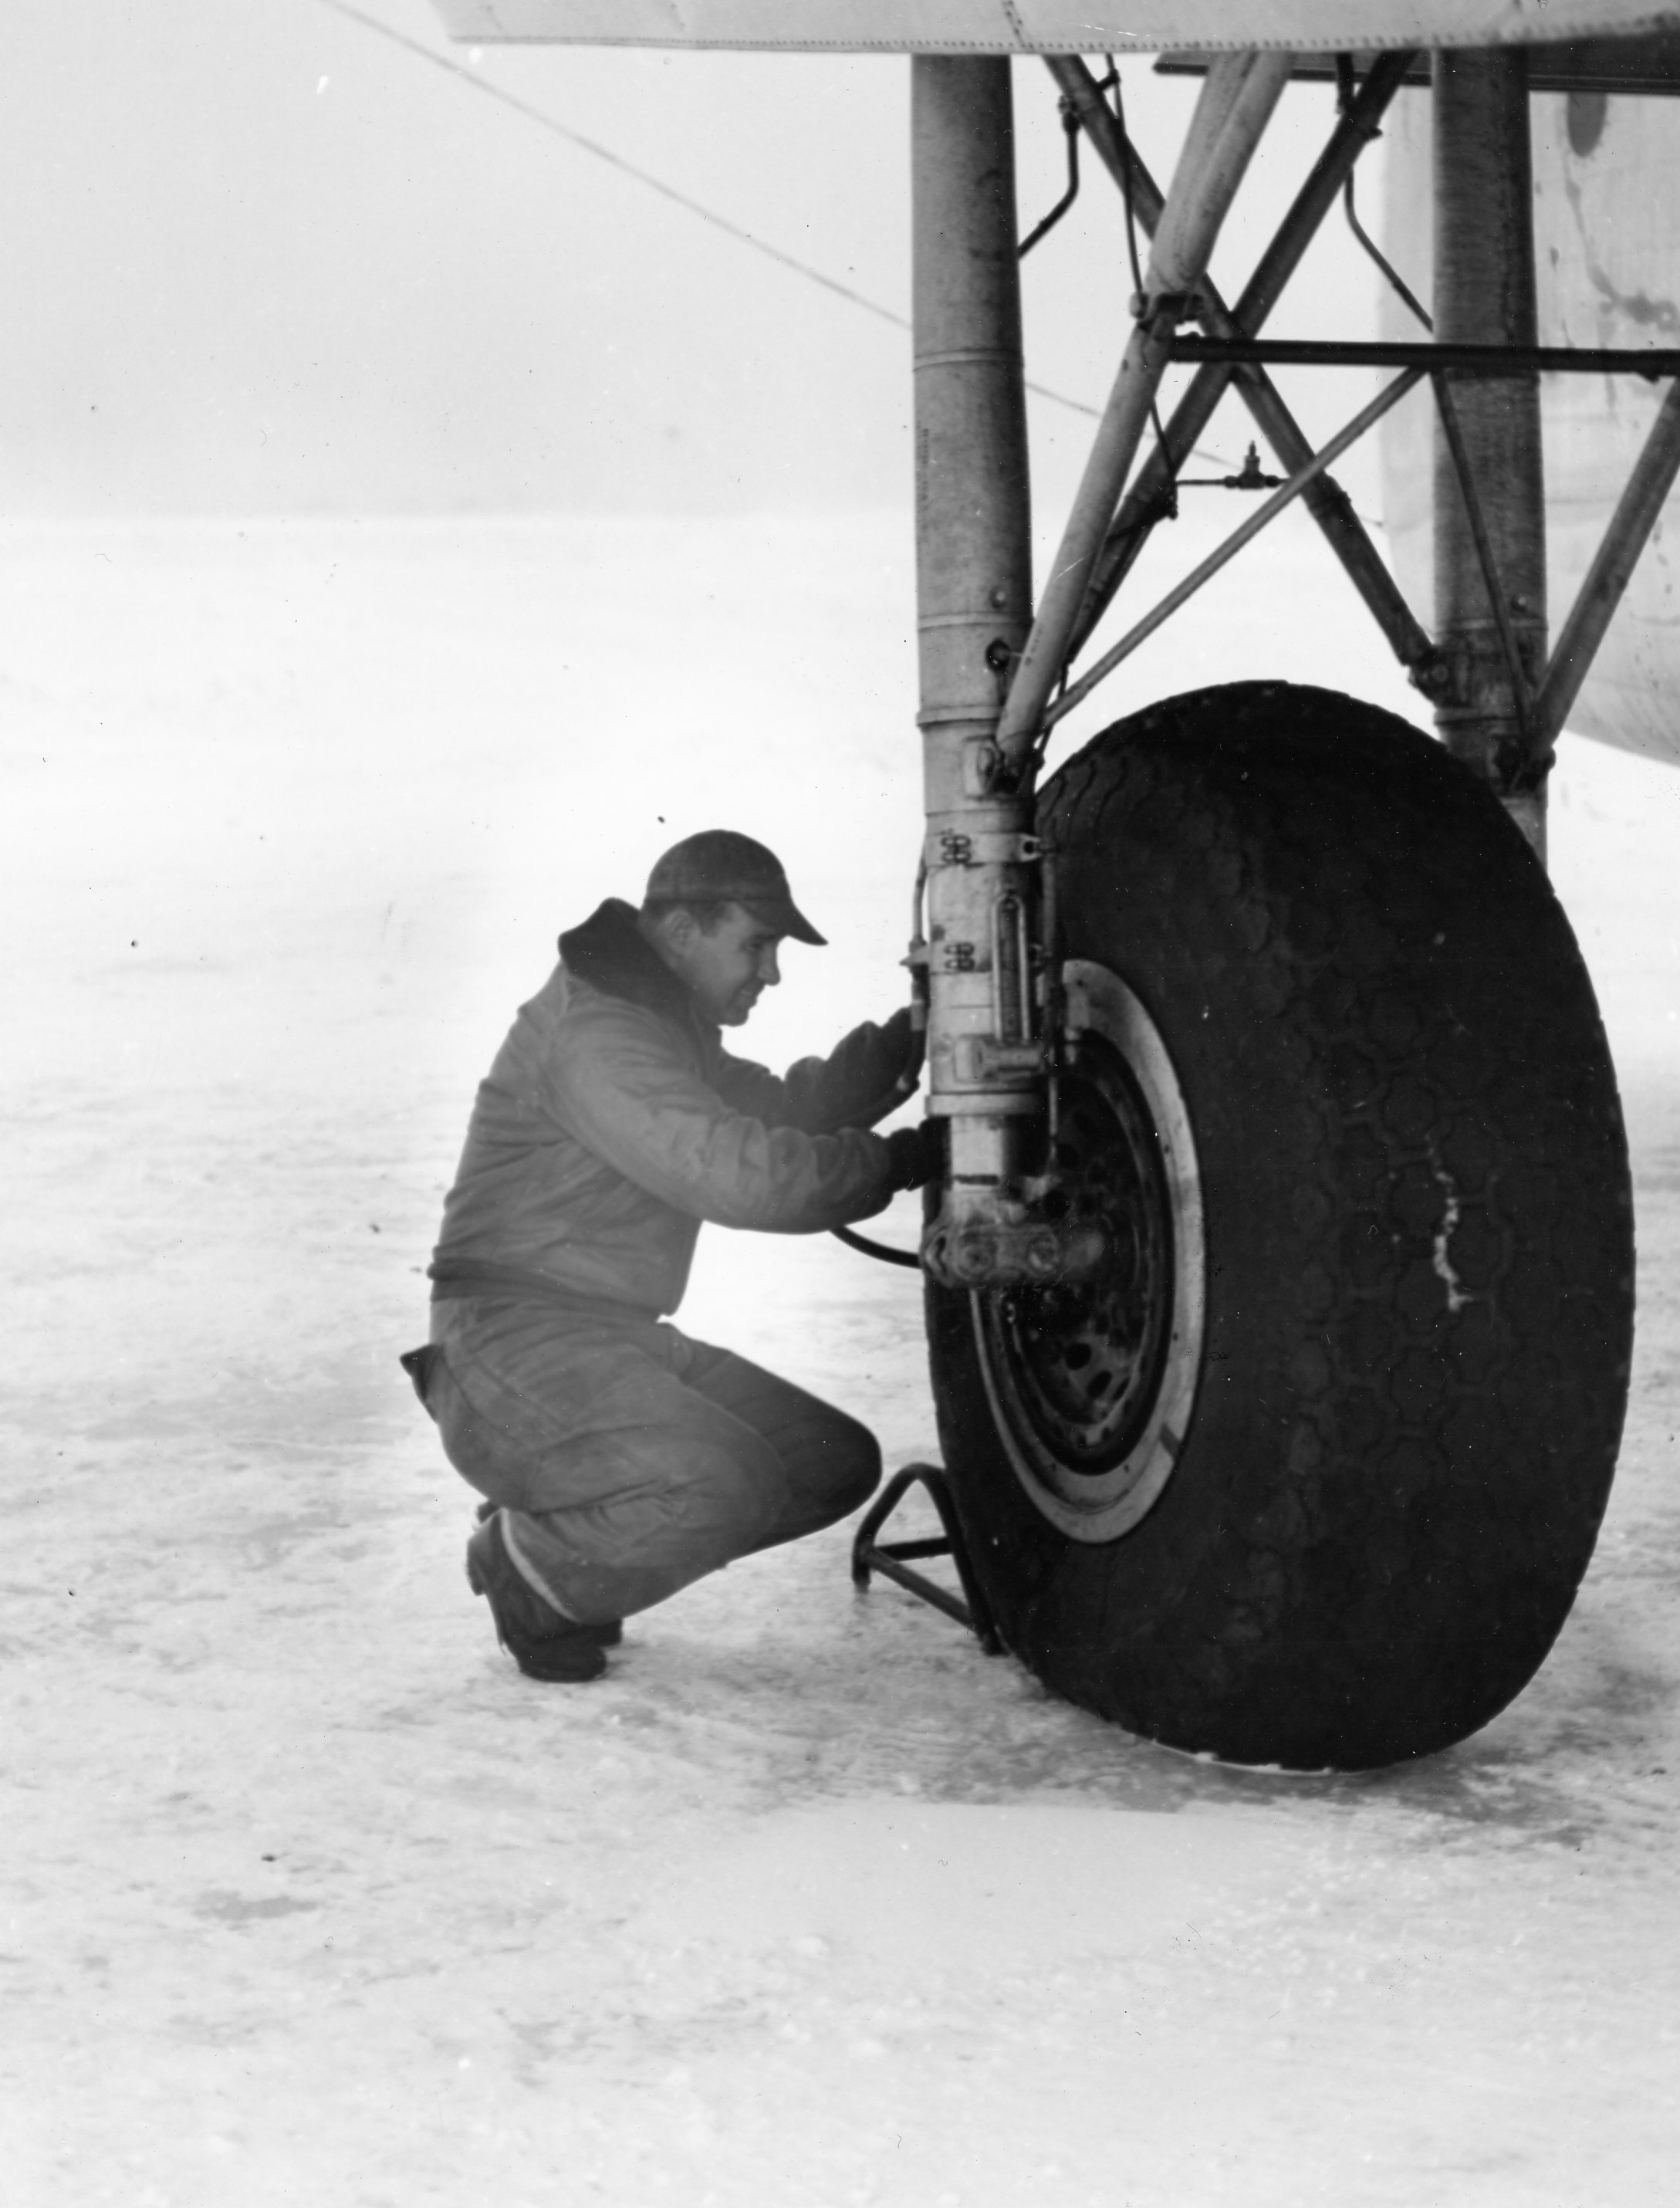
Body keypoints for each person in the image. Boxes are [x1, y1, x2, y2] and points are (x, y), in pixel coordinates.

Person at [400, 829, 936, 1682]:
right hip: (509, 1349)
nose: (769, 972)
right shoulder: (599, 1034)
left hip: (599, 1341)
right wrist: (900, 1161)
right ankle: (532, 1565)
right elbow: (734, 1174)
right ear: (683, 931)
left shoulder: (654, 1020)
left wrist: (893, 1051)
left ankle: (579, 1535)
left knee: (826, 1462)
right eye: (755, 944)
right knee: (726, 1483)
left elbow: (771, 1111)